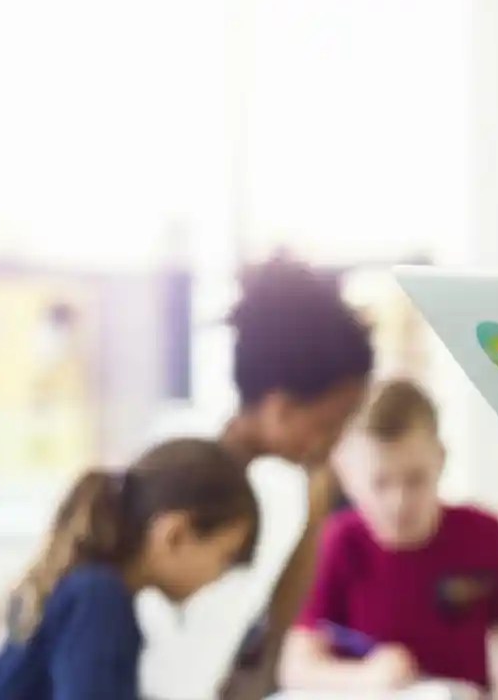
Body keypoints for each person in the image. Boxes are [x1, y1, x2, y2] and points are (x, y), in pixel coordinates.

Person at [136, 258, 374, 700]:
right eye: (330, 424)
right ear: (280, 409)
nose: (334, 444)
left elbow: (269, 651)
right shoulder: (232, 491)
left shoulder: (292, 487)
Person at [279, 379, 498, 699]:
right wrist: (364, 677)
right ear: (346, 474)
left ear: (440, 460)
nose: (399, 502)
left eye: (415, 479)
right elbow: (295, 667)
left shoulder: (484, 533)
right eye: (380, 483)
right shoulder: (339, 542)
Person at [0, 439, 258, 700]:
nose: (218, 577)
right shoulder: (99, 598)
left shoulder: (91, 589)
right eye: (225, 557)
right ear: (174, 534)